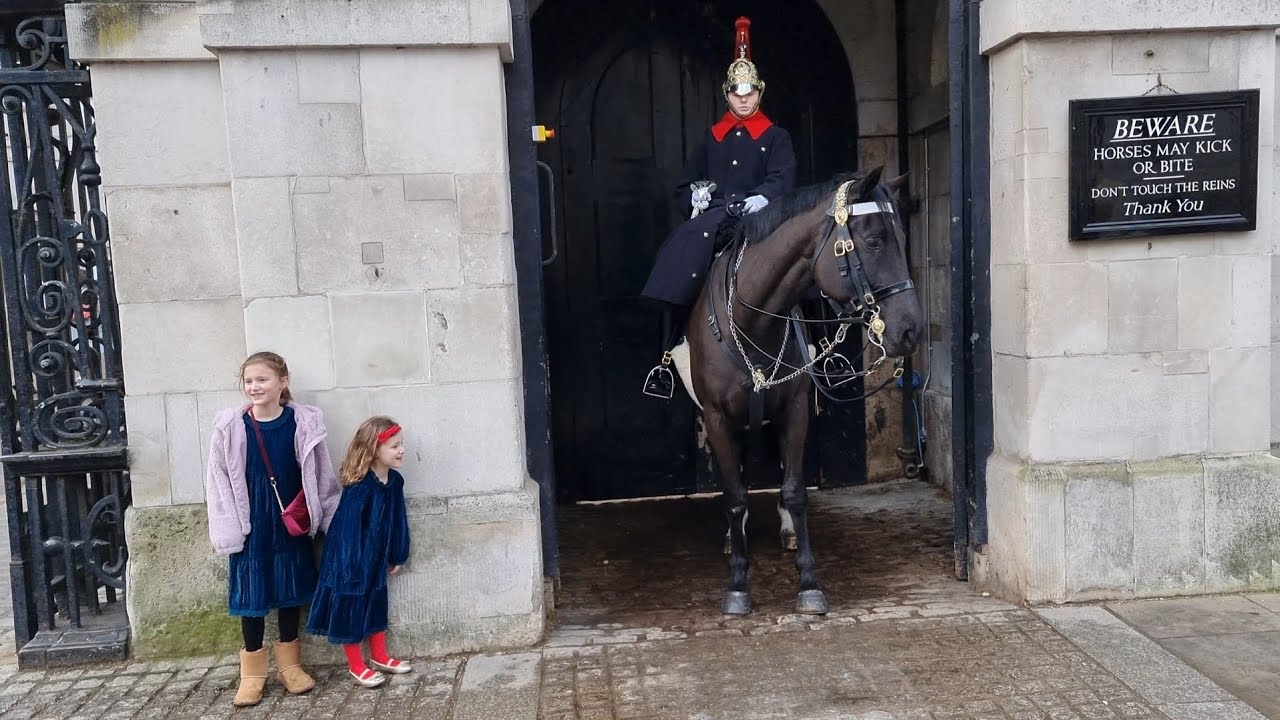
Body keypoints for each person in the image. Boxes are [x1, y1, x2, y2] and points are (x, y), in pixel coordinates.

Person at [641, 15, 797, 399]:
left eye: (749, 91)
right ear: (726, 94)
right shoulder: (712, 138)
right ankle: (665, 356)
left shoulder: (776, 137)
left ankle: (824, 351)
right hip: (718, 220)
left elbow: (783, 178)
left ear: (760, 92)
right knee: (679, 258)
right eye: (736, 92)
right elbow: (684, 185)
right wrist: (697, 198)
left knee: (804, 260)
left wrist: (763, 198)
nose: (743, 98)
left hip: (763, 219)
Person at [204, 351, 342, 707]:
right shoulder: (232, 426)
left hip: (289, 519)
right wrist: (227, 525)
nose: (254, 387)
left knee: (290, 590)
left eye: (262, 380)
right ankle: (251, 674)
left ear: (283, 382)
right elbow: (217, 479)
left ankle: (289, 666)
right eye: (249, 381)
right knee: (251, 595)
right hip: (251, 522)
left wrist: (329, 517)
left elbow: (322, 475)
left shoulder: (303, 423)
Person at [306, 416, 412, 688]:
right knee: (351, 608)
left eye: (401, 444)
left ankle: (379, 656)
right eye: (394, 446)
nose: (401, 450)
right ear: (374, 449)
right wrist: (351, 565)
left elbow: (398, 518)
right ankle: (356, 666)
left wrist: (397, 553)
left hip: (376, 558)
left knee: (377, 603)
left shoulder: (394, 481)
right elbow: (348, 530)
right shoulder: (360, 487)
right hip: (349, 560)